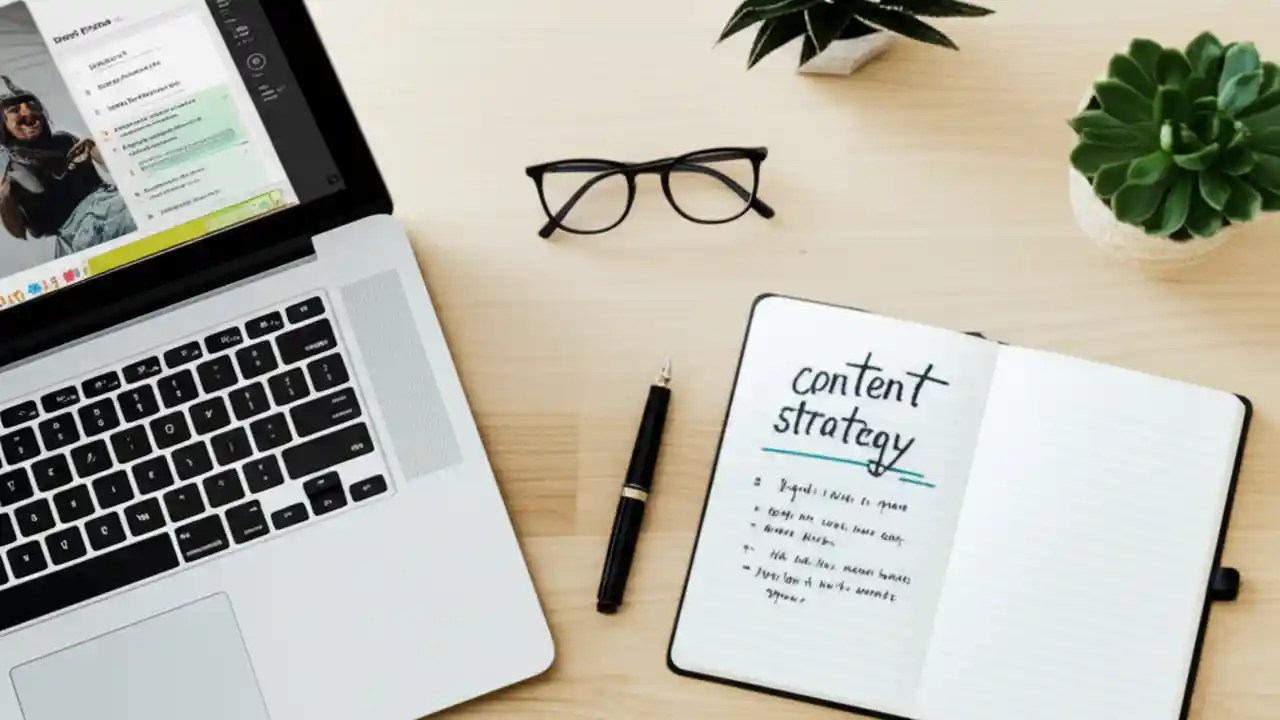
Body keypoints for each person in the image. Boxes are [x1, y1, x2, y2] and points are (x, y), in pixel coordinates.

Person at [0, 75, 136, 258]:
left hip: (109, 205)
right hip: (81, 232)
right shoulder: (14, 171)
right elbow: (19, 232)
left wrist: (94, 148)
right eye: (15, 110)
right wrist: (4, 198)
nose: (27, 112)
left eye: (31, 105)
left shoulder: (63, 141)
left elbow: (118, 168)